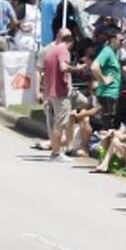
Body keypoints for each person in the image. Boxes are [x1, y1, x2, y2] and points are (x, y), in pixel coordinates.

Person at [41, 28, 73, 162]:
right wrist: (77, 68)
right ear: (70, 42)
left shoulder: (50, 50)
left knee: (57, 122)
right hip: (60, 91)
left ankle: (56, 150)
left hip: (51, 90)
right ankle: (56, 153)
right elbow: (63, 67)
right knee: (59, 123)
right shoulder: (63, 50)